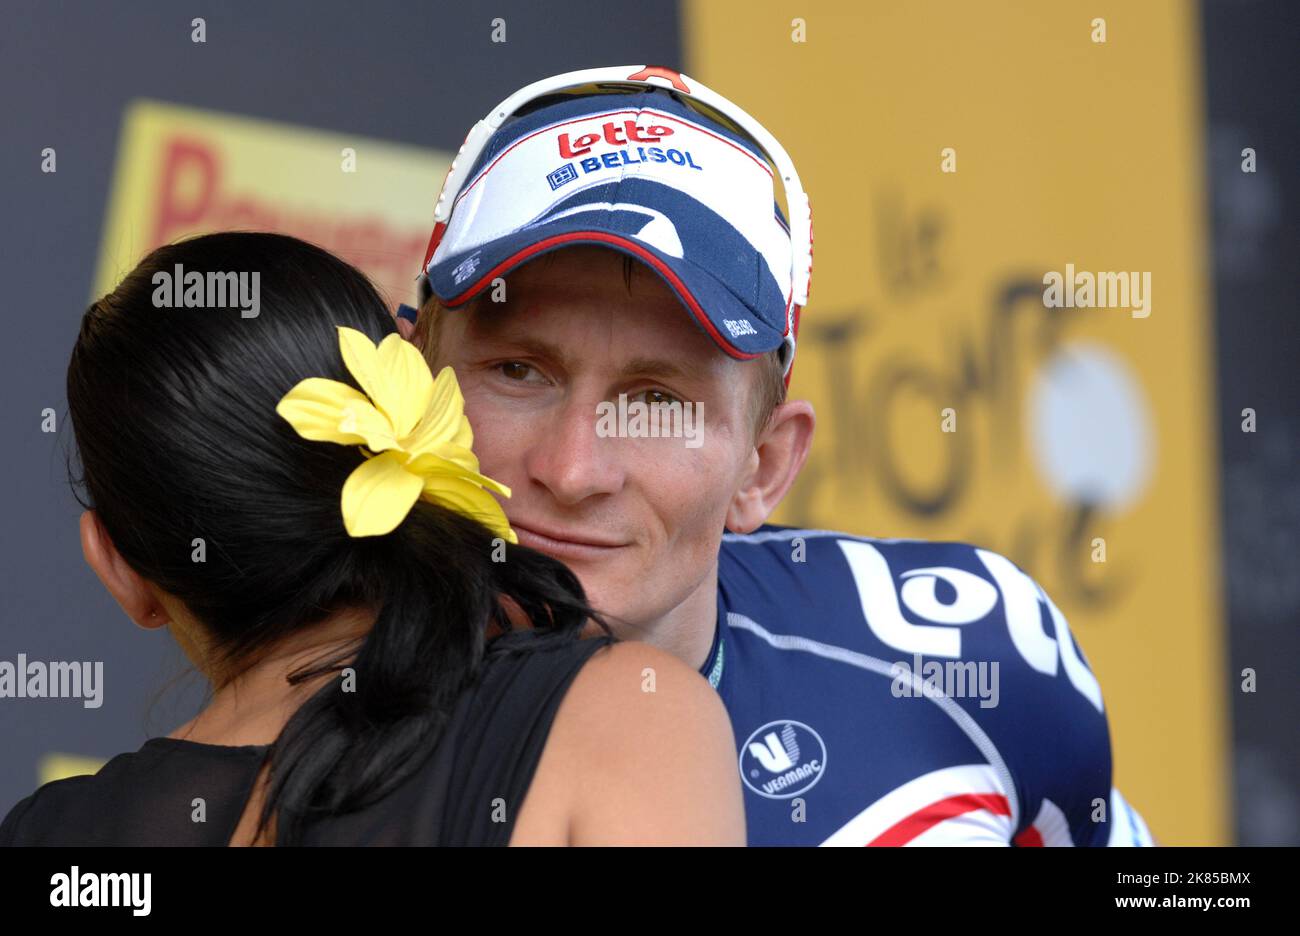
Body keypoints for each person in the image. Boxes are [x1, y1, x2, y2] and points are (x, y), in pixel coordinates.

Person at [395, 65, 1157, 846]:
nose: (572, 468)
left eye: (659, 403)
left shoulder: (968, 662)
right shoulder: (285, 697)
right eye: (518, 372)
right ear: (407, 380)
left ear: (764, 466)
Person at [0, 232, 744, 847]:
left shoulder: (47, 835)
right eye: (519, 371)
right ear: (419, 420)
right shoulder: (626, 720)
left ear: (118, 568)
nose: (575, 470)